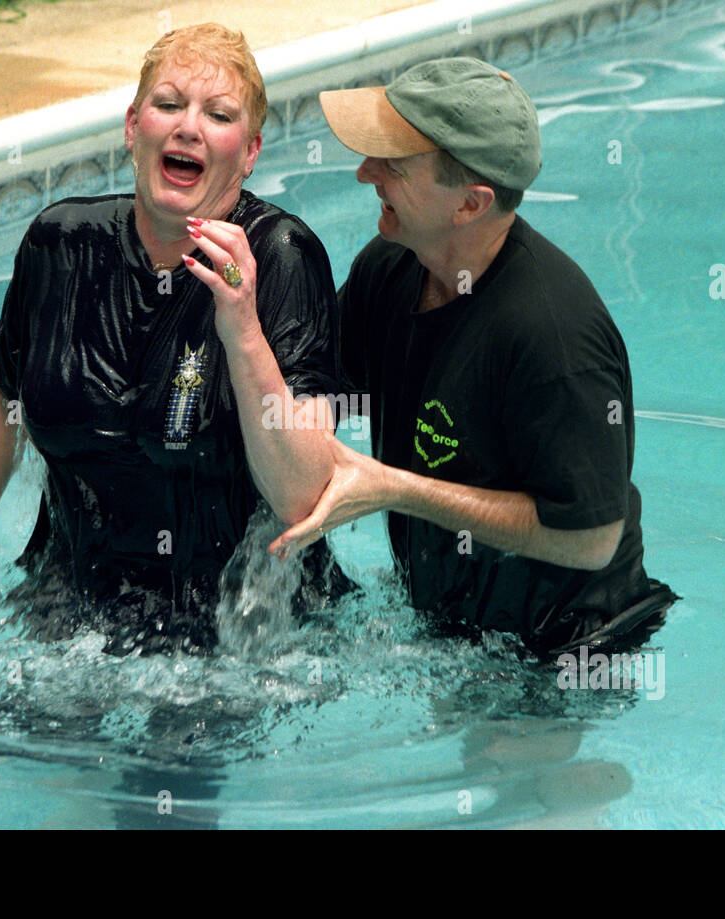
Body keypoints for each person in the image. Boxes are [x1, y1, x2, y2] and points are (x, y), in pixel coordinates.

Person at [0, 23, 351, 654]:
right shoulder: (60, 243)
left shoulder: (282, 259)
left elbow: (303, 497)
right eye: (168, 104)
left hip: (235, 633)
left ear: (251, 151)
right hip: (70, 604)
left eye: (218, 114)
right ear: (132, 126)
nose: (188, 127)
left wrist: (243, 330)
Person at [271, 58, 677, 659]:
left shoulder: (554, 337)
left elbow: (591, 540)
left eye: (394, 165)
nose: (363, 173)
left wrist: (393, 488)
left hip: (570, 648)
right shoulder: (390, 268)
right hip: (458, 629)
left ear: (469, 203)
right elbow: (314, 387)